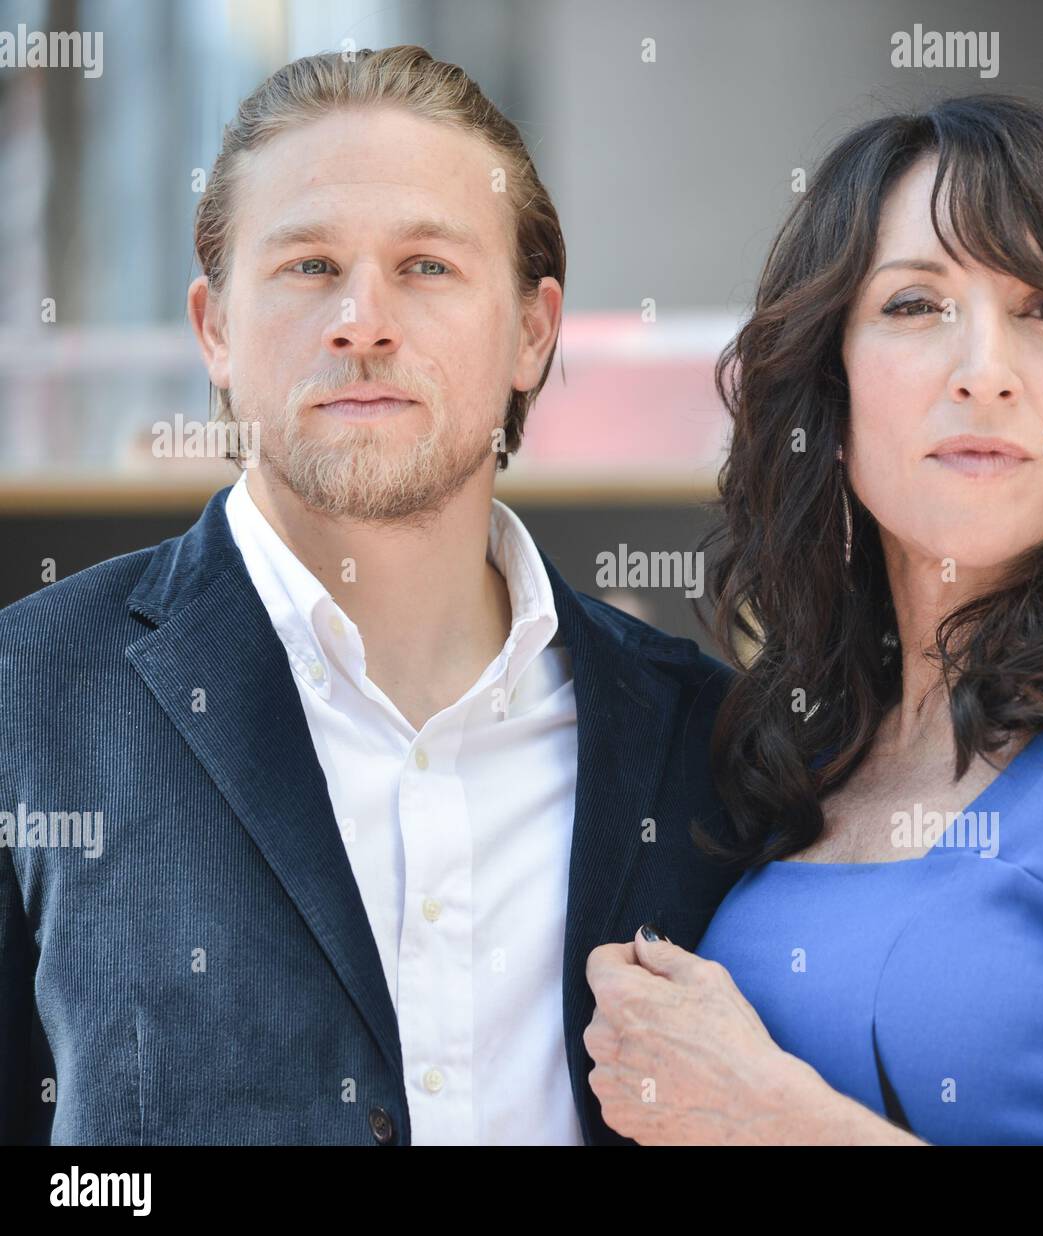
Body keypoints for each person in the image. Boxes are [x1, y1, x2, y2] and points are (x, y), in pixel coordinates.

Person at [0, 46, 740, 1146]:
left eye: (428, 267)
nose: (362, 321)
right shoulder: (29, 692)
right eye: (306, 266)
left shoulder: (704, 736)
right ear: (213, 330)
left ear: (533, 332)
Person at [584, 93, 1043, 1146]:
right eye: (916, 305)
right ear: (826, 393)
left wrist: (770, 1122)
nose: (985, 372)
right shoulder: (791, 747)